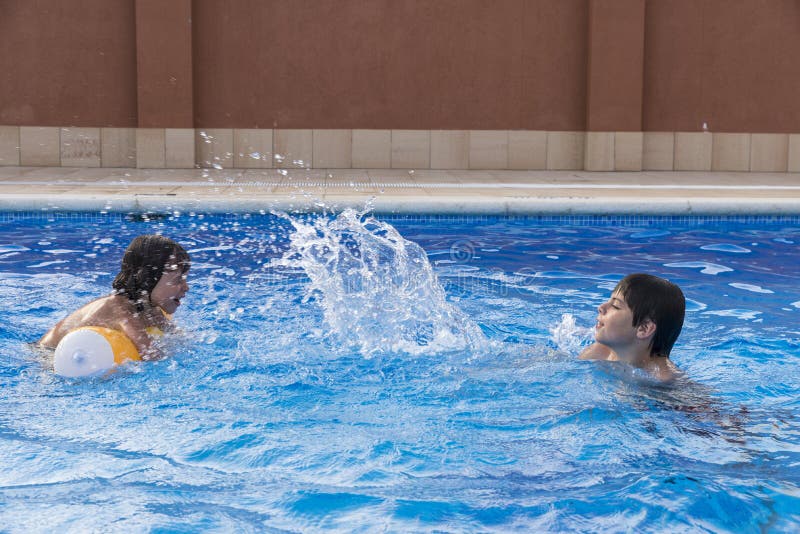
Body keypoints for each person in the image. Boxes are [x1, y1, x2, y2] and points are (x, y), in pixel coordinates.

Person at [39, 234, 190, 361]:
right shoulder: (119, 309)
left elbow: (181, 339)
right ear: (148, 278)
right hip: (46, 357)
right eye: (177, 280)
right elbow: (151, 354)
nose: (186, 287)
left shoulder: (150, 309)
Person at [579, 273, 685, 381]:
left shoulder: (665, 379)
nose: (601, 307)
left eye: (615, 306)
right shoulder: (599, 352)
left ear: (644, 328)